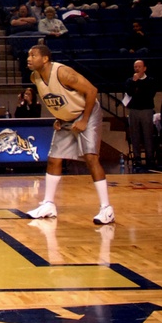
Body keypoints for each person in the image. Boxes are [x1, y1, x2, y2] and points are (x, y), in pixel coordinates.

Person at [24, 43, 114, 225]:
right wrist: (59, 116)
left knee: (90, 157)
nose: (29, 58)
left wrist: (84, 120)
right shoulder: (35, 77)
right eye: (28, 55)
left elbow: (92, 91)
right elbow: (55, 98)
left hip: (86, 113)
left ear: (45, 58)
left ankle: (107, 208)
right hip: (67, 118)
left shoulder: (63, 73)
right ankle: (48, 204)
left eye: (33, 55)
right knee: (54, 159)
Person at [123, 58, 157, 169]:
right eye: (135, 67)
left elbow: (149, 94)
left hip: (146, 110)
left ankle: (150, 158)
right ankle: (137, 158)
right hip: (134, 110)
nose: (137, 69)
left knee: (148, 134)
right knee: (135, 135)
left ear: (144, 68)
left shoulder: (151, 80)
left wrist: (138, 88)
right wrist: (134, 82)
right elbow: (130, 92)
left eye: (139, 67)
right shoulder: (130, 81)